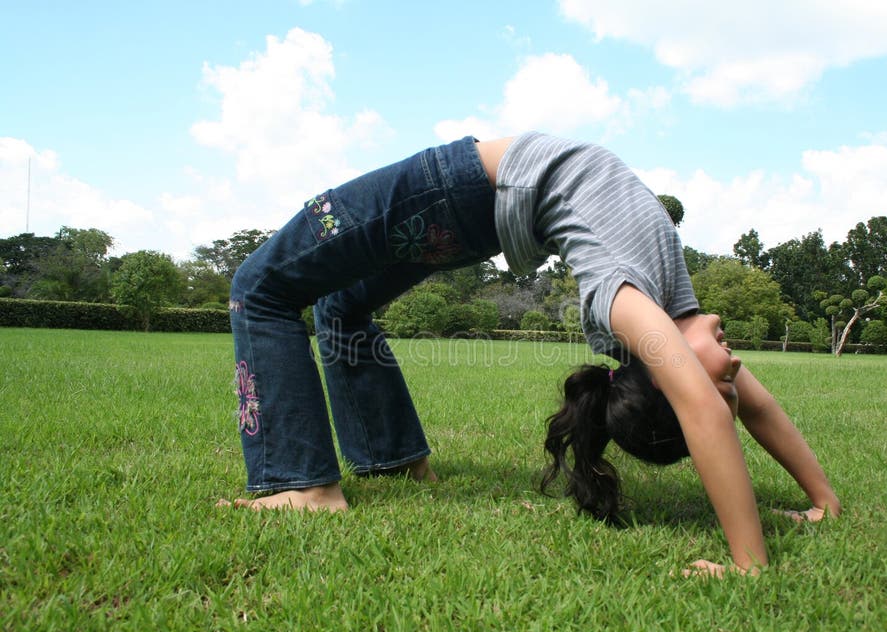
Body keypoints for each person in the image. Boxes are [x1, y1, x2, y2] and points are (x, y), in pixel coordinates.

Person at [217, 132, 840, 577]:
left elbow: (706, 410)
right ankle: (390, 463)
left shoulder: (626, 304)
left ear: (663, 372)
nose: (734, 370)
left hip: (453, 188)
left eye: (719, 384)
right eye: (732, 378)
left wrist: (748, 562)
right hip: (476, 209)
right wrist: (822, 500)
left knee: (259, 287)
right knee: (341, 308)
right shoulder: (673, 301)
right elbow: (751, 409)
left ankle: (301, 487)